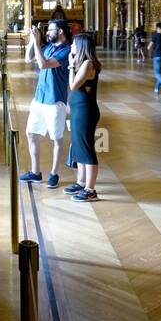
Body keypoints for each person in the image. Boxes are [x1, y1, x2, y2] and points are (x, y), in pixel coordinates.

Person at [21, 19, 71, 185]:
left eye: (50, 30)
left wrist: (36, 41)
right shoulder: (48, 47)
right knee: (31, 133)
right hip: (39, 98)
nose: (47, 33)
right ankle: (35, 172)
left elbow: (43, 64)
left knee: (56, 138)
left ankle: (54, 174)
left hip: (55, 101)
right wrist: (31, 41)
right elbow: (29, 59)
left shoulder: (67, 50)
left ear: (61, 31)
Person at [65, 33, 101, 201]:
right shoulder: (83, 64)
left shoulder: (88, 64)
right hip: (78, 111)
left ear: (81, 47)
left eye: (73, 44)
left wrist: (71, 66)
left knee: (86, 149)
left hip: (86, 112)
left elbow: (73, 85)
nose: (71, 47)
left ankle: (90, 189)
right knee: (78, 147)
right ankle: (81, 181)